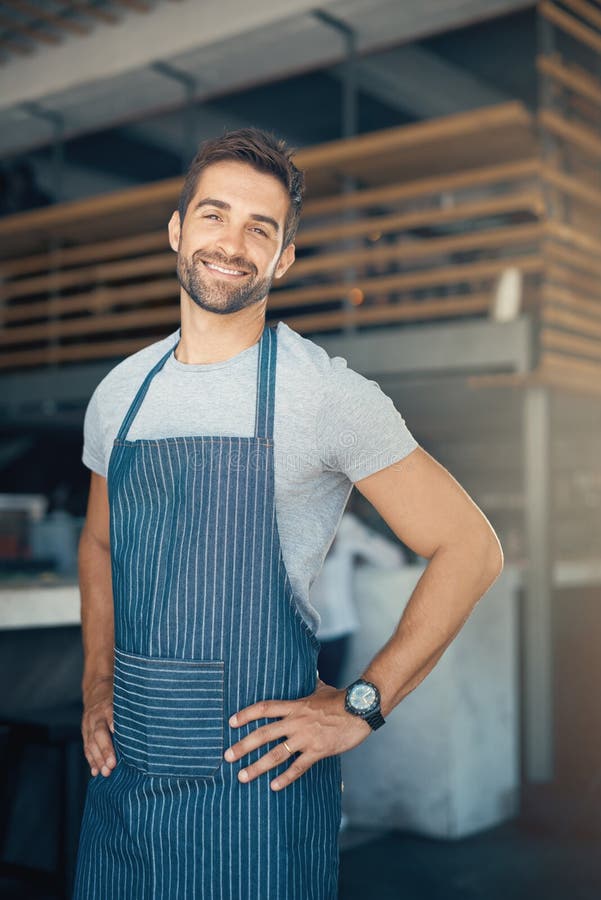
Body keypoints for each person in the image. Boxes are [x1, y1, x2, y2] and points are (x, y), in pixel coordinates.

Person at [73, 127, 504, 900]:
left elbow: (469, 548)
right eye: (213, 215)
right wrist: (96, 679)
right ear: (177, 230)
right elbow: (99, 543)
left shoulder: (324, 394)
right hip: (126, 785)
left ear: (283, 258)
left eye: (259, 229)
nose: (231, 243)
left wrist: (360, 706)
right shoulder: (120, 393)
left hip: (256, 794)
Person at [314, 505, 407, 688]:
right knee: (328, 695)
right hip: (336, 627)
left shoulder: (292, 519)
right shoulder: (345, 525)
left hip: (301, 627)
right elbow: (394, 559)